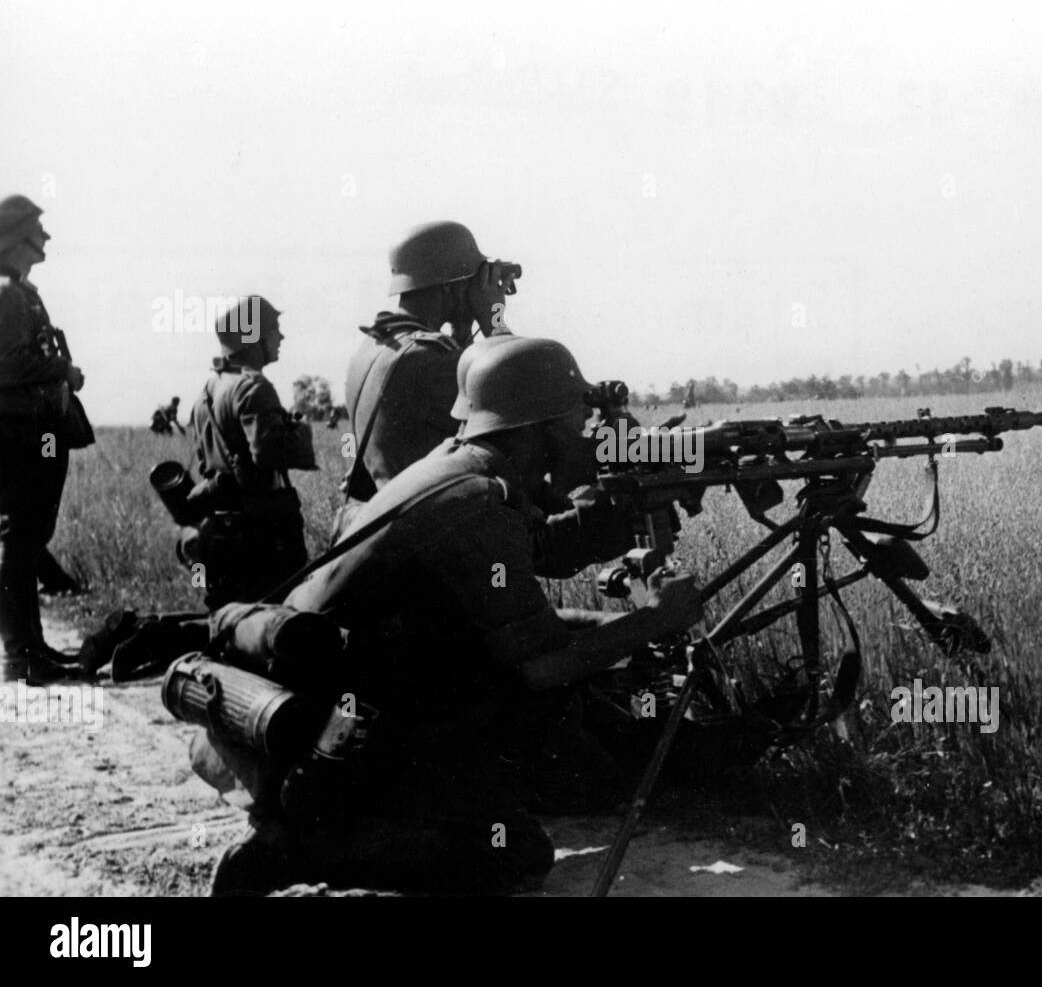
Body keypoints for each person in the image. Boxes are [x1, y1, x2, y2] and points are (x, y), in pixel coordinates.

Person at [198, 336, 700, 896]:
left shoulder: (456, 465)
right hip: (351, 736)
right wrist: (654, 619)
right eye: (579, 422)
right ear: (541, 430)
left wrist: (616, 611)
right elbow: (539, 667)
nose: (590, 435)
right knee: (517, 852)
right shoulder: (480, 500)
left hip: (349, 702)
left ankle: (348, 814)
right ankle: (299, 847)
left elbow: (520, 601)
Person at [336, 222, 518, 532]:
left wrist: (462, 330)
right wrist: (494, 318)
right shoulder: (425, 359)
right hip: (427, 539)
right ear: (449, 286)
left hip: (385, 528)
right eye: (470, 281)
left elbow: (455, 390)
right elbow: (519, 400)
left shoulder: (376, 347)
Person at [0, 194, 88, 683]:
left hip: (36, 431)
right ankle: (21, 655)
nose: (46, 239)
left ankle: (31, 649)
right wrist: (63, 369)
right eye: (37, 229)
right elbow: (8, 367)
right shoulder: (9, 295)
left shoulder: (18, 291)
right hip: (22, 433)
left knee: (29, 540)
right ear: (17, 238)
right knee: (20, 542)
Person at [184, 297, 316, 610]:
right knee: (279, 623)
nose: (280, 337)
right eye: (274, 329)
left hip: (221, 531)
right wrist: (302, 431)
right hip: (263, 534)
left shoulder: (206, 391)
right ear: (252, 337)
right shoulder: (253, 386)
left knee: (231, 620)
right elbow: (268, 453)